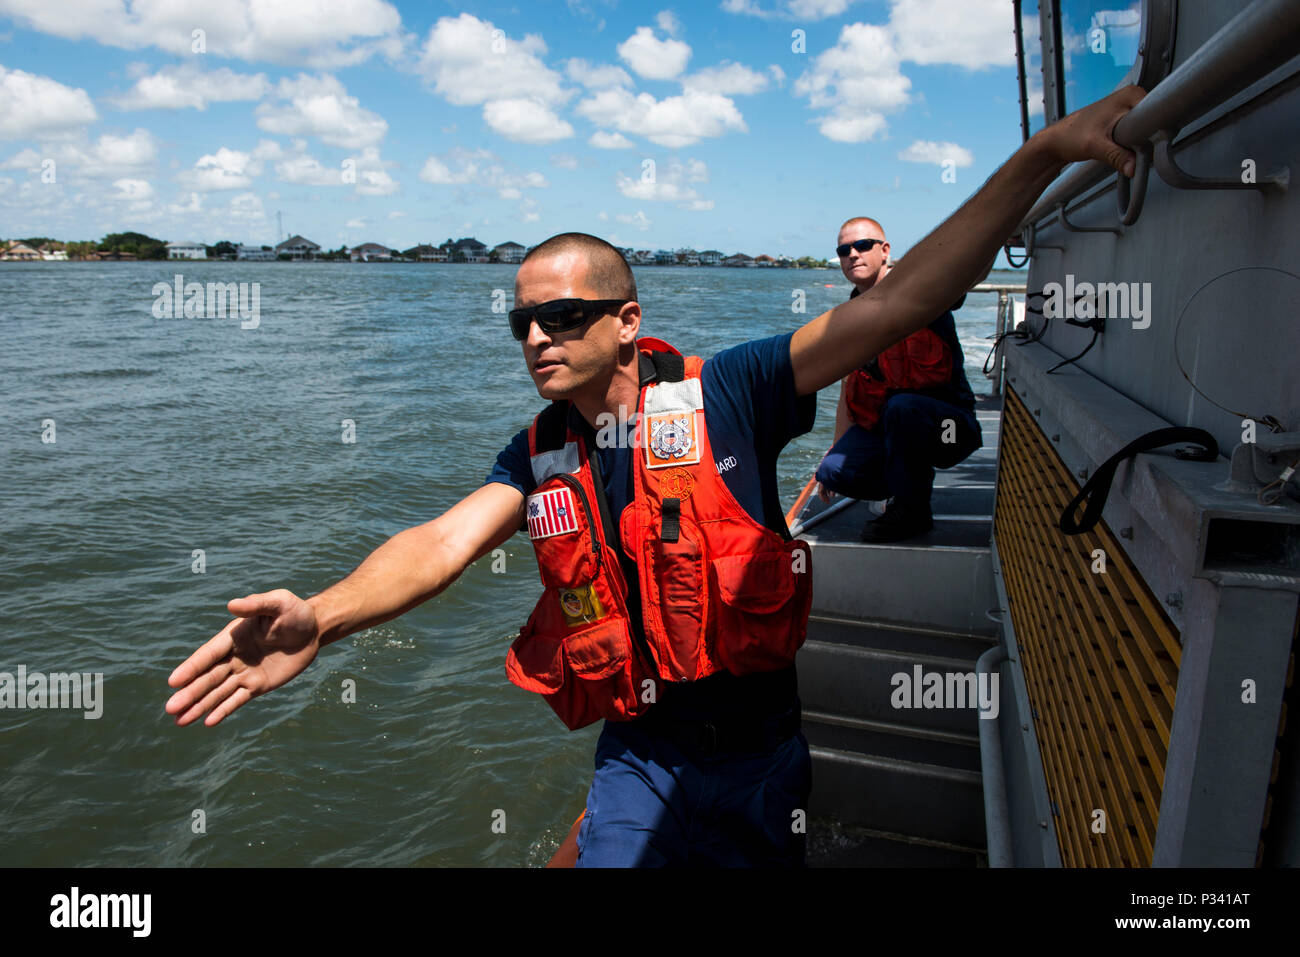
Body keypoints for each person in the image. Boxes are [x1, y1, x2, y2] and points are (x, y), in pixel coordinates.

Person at [164, 86, 1146, 867]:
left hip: (760, 750)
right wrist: (322, 617)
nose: (537, 339)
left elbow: (903, 304)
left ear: (626, 321)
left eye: (562, 317)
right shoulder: (540, 451)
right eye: (521, 324)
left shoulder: (736, 389)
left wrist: (1037, 156)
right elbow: (440, 541)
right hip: (638, 750)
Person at [815, 217, 983, 543]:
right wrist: (835, 446)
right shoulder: (852, 316)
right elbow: (850, 385)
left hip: (949, 428)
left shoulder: (922, 291)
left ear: (885, 250)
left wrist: (995, 227)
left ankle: (912, 512)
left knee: (902, 408)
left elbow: (972, 272)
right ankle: (901, 484)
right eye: (844, 250)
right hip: (893, 428)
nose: (853, 254)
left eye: (863, 246)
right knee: (834, 471)